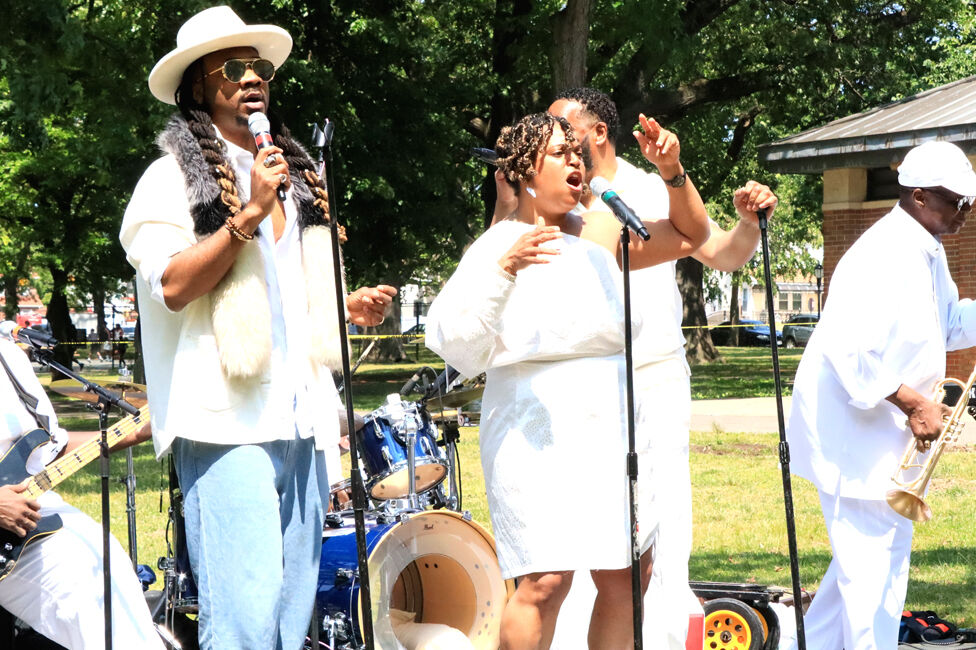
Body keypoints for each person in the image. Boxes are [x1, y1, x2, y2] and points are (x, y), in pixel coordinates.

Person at [119, 6, 395, 648]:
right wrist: (248, 215)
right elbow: (172, 286)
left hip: (298, 417)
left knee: (289, 616)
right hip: (224, 424)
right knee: (242, 619)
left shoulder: (292, 179)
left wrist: (341, 306)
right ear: (197, 88)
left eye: (260, 67)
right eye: (232, 68)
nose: (252, 78)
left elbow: (277, 295)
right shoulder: (167, 181)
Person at [426, 111, 711, 649]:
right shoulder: (499, 244)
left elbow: (692, 235)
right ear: (527, 171)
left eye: (577, 152)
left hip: (614, 429)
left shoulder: (601, 235)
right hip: (535, 431)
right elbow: (453, 342)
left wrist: (672, 172)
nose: (576, 161)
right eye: (560, 153)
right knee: (547, 579)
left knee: (629, 573)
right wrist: (505, 270)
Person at [503, 87, 773, 650]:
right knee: (569, 550)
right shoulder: (549, 200)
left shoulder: (644, 188)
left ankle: (663, 637)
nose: (552, 137)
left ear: (597, 131)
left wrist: (746, 223)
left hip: (651, 377)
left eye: (561, 127)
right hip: (575, 390)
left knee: (653, 542)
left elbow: (718, 252)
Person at [784, 140, 976, 650]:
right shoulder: (881, 252)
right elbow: (847, 348)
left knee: (867, 571)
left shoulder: (926, 247)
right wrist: (916, 403)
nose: (965, 211)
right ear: (919, 196)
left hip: (883, 433)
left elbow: (947, 325)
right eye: (955, 200)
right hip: (853, 435)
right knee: (872, 578)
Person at [0, 338, 162, 649]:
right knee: (81, 582)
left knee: (102, 559)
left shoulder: (9, 355)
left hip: (30, 516)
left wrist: (135, 432)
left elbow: (50, 447)